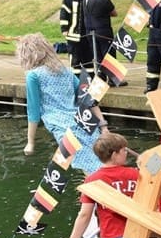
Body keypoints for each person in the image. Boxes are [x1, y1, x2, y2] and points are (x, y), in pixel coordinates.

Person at [17, 33, 107, 174]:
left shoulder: (33, 76)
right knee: (99, 164)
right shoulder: (65, 70)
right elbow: (89, 98)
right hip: (84, 121)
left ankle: (96, 193)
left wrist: (30, 142)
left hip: (62, 128)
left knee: (89, 168)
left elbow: (33, 112)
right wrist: (103, 126)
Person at [62, 132, 140, 238]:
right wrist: (150, 165)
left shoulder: (93, 181)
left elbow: (84, 215)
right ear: (114, 154)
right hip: (135, 235)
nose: (126, 152)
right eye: (123, 150)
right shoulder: (135, 174)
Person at [83, 0, 120, 84]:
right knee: (109, 55)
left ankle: (101, 77)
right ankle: (113, 79)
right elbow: (114, 13)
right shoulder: (105, 0)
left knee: (97, 55)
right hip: (103, 31)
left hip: (90, 31)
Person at [59, 0, 93, 77]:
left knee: (88, 58)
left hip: (86, 35)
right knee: (75, 59)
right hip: (73, 35)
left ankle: (91, 78)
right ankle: (75, 80)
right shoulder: (68, 0)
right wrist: (64, 29)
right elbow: (63, 15)